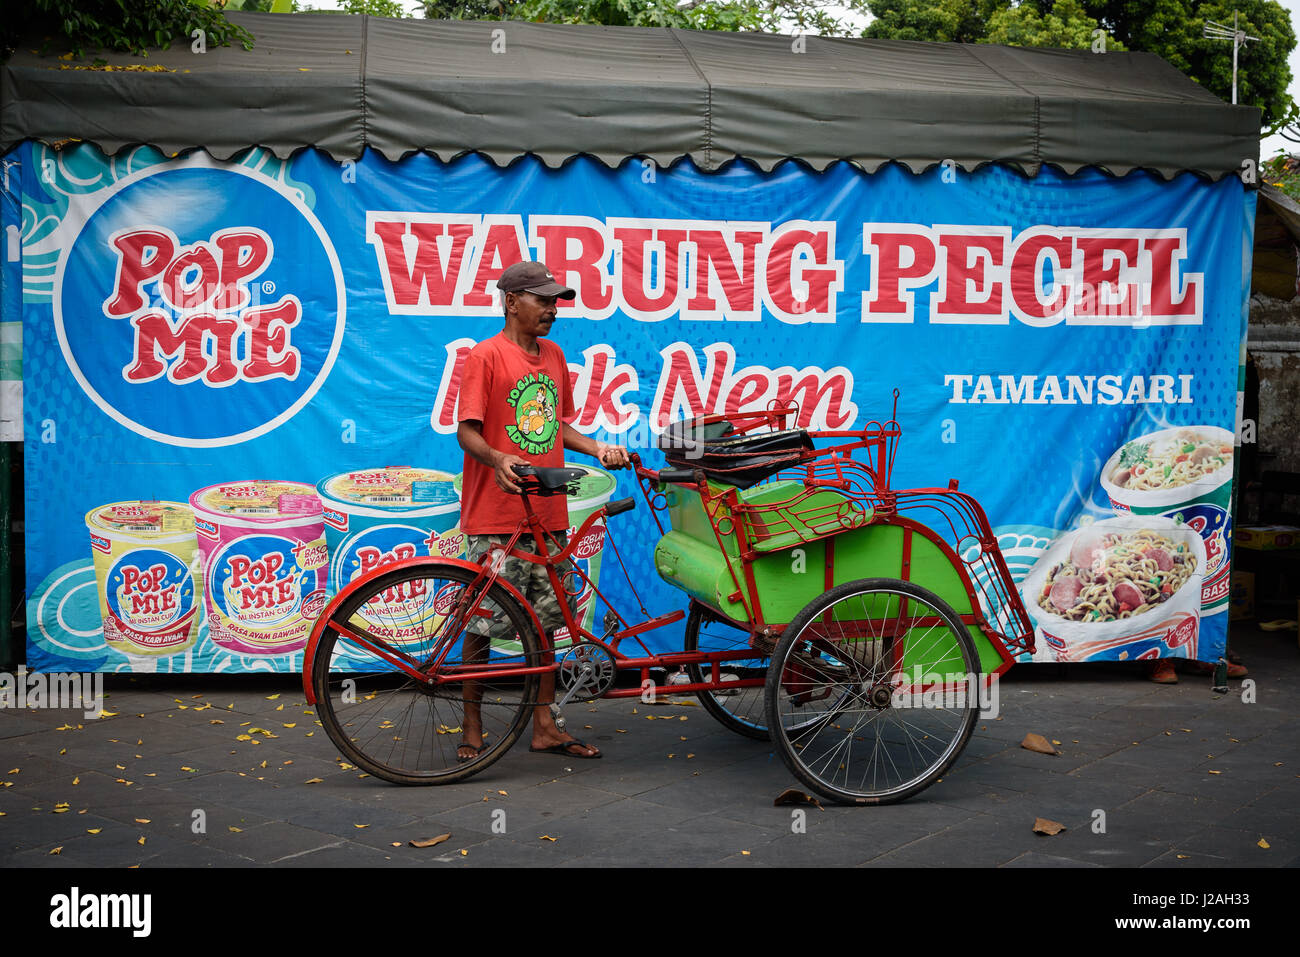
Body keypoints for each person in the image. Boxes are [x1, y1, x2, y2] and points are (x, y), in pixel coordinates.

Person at [455, 260, 630, 761]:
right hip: (494, 514)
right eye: (543, 299)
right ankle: (471, 726)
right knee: (481, 624)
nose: (552, 309)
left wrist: (597, 448)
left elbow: (556, 426)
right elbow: (464, 431)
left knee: (547, 623)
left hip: (547, 514)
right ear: (512, 302)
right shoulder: (485, 357)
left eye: (555, 301)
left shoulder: (553, 355)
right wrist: (497, 455)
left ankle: (545, 726)